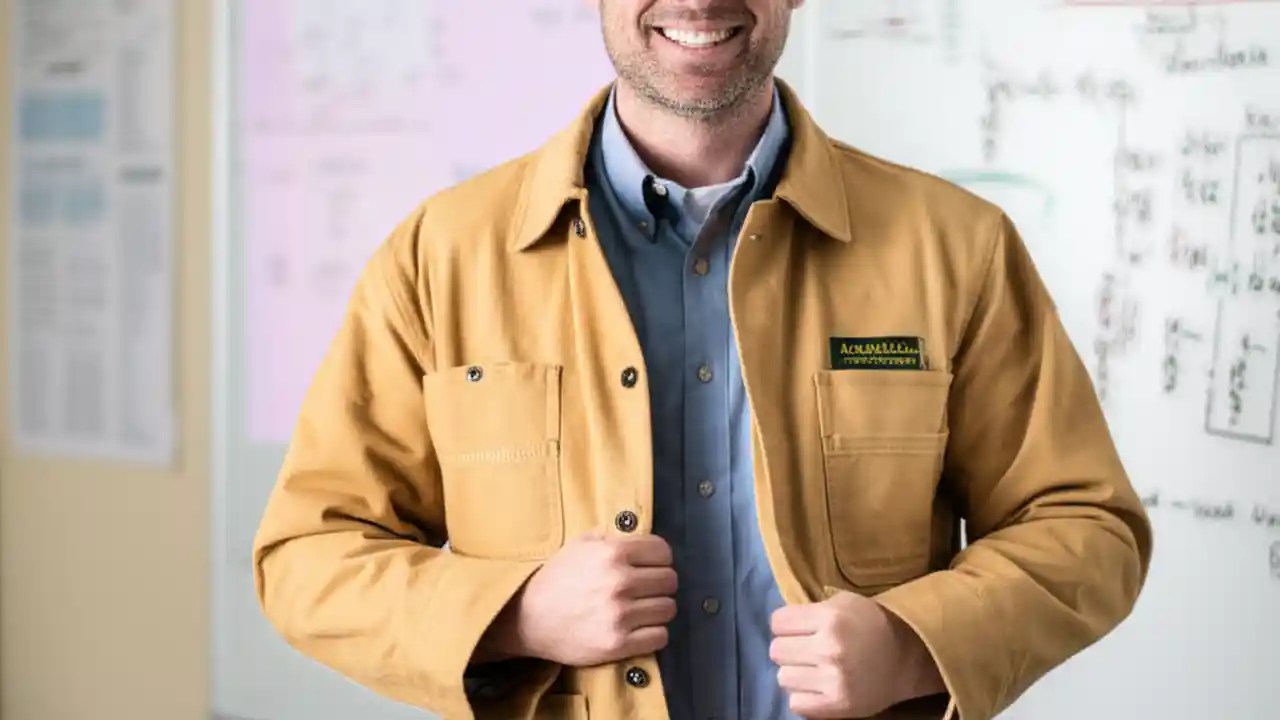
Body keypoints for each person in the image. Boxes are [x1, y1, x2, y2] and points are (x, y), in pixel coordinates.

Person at [252, 1, 1154, 719]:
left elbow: (1085, 526)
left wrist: (915, 642)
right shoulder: (438, 255)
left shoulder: (956, 248)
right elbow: (309, 557)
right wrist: (517, 614)